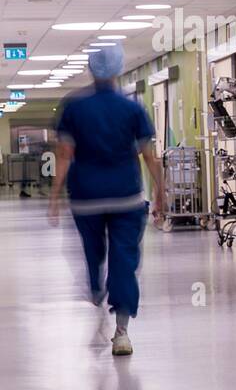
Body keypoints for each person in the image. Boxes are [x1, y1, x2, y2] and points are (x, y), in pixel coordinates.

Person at [48, 44, 164, 356]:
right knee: (124, 261)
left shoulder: (73, 107)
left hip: (86, 197)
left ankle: (97, 289)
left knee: (93, 252)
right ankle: (122, 332)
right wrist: (162, 192)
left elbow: (63, 153)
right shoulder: (132, 108)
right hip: (126, 196)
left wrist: (55, 195)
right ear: (117, 70)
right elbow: (149, 156)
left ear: (91, 69)